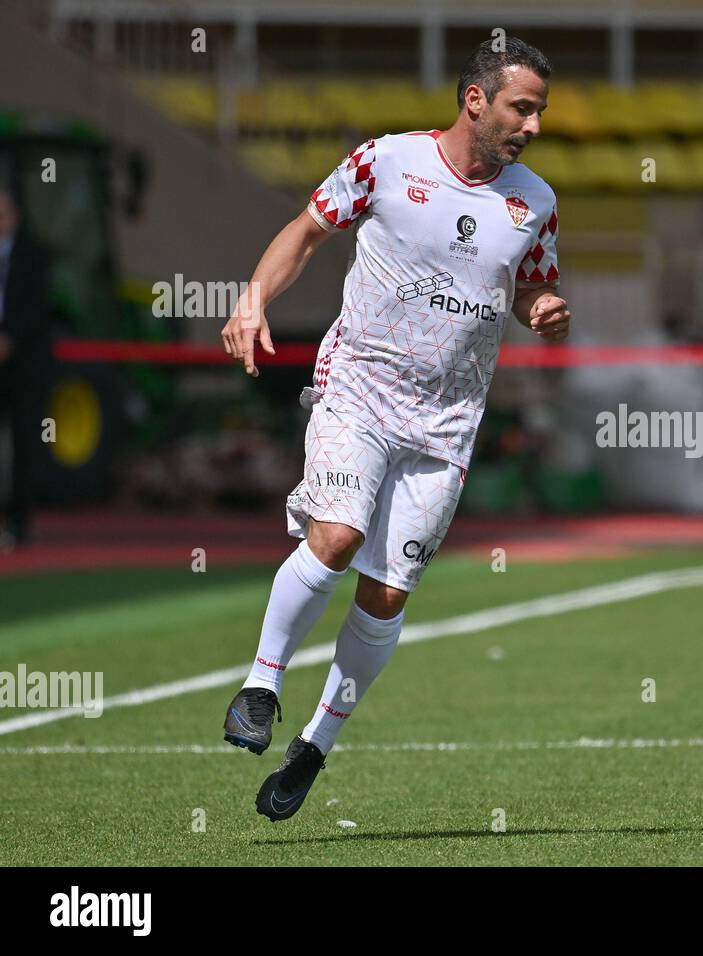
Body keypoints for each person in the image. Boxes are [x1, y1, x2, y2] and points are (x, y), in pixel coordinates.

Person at [218, 37, 570, 821]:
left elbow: (533, 284)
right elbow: (306, 231)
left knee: (383, 595)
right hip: (360, 393)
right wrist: (252, 299)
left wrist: (540, 307)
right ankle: (262, 685)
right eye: (523, 107)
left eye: (540, 111)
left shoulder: (535, 202)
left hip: (448, 423)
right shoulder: (385, 162)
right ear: (475, 100)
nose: (533, 125)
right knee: (336, 538)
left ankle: (314, 745)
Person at [0, 189, 53, 548]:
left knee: (23, 443)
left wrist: (10, 340)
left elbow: (37, 307)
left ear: (15, 215)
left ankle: (20, 524)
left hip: (23, 365)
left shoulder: (34, 255)